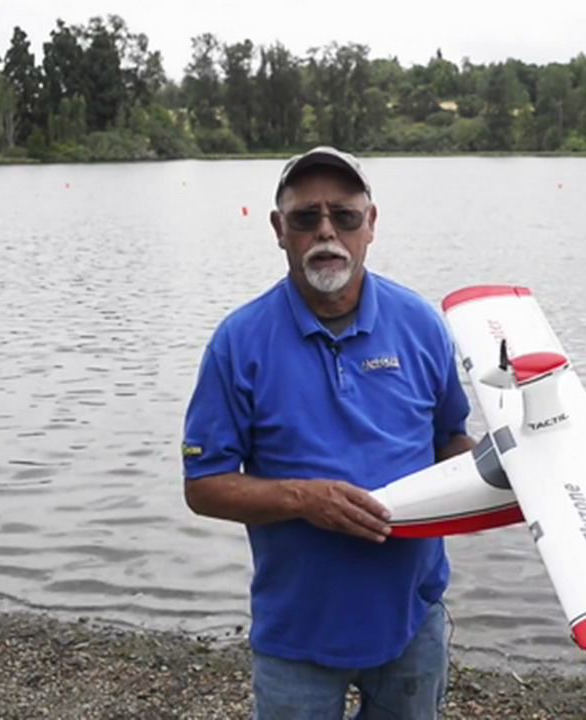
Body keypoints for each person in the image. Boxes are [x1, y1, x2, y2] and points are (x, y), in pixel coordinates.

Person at [180, 145, 477, 719]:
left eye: (343, 216)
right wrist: (301, 498)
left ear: (370, 224)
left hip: (412, 619)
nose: (326, 232)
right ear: (278, 229)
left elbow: (451, 442)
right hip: (297, 632)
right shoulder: (238, 342)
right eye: (304, 218)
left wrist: (501, 475)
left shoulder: (420, 324)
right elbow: (204, 485)